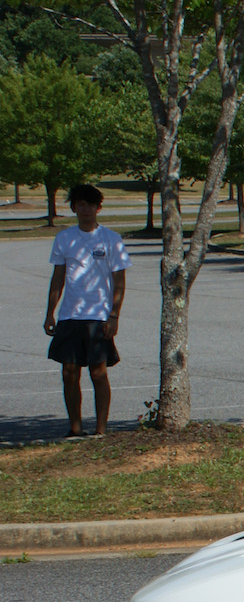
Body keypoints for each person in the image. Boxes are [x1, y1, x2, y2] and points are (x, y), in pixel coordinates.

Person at [43, 183, 129, 437]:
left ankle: (101, 429)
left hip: (99, 316)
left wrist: (114, 315)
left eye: (90, 204)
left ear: (98, 208)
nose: (86, 209)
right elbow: (57, 277)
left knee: (98, 372)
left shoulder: (111, 239)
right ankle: (75, 428)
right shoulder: (64, 238)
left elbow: (120, 281)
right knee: (69, 372)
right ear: (73, 208)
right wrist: (50, 311)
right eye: (80, 204)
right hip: (70, 315)